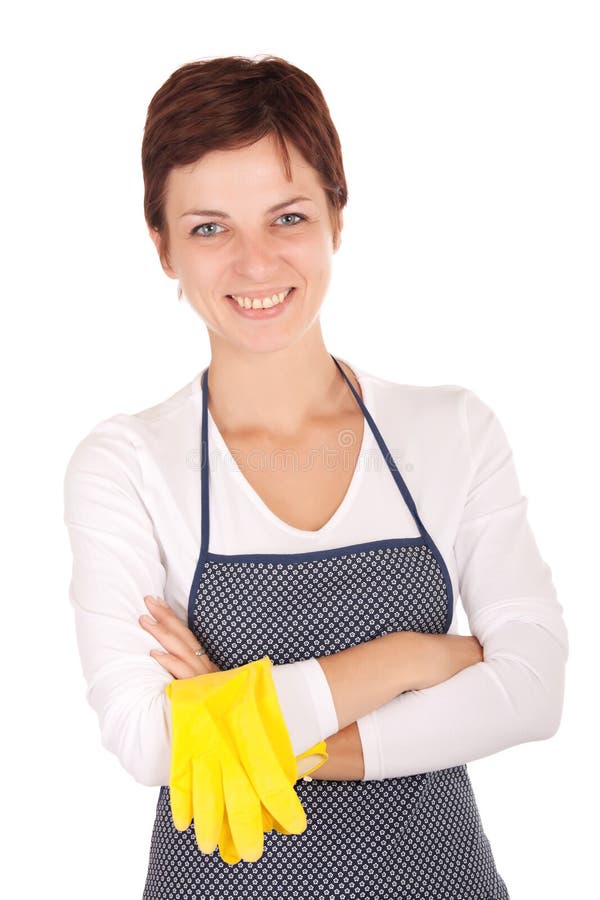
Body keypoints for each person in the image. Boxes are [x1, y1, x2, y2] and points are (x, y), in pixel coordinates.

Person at [63, 55, 569, 899]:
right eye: (210, 228)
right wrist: (411, 657)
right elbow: (150, 741)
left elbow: (533, 688)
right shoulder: (126, 465)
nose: (256, 264)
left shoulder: (451, 430)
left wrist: (237, 719)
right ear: (162, 246)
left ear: (338, 216)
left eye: (287, 216)